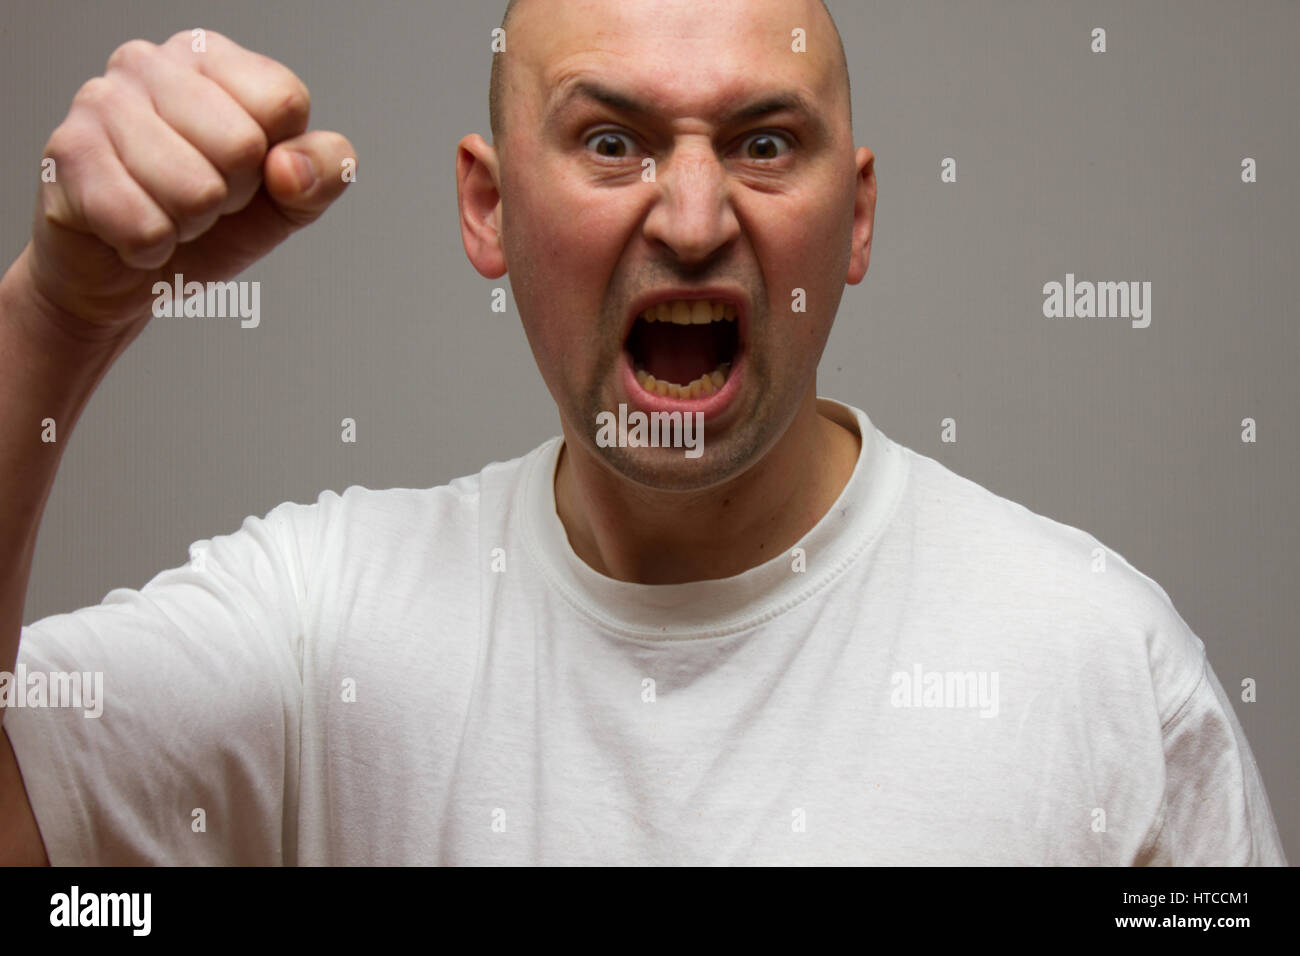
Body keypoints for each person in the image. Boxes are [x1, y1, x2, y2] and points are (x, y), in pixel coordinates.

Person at [0, 0, 1286, 865]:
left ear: (856, 218)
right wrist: (56, 316)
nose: (688, 213)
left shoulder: (1101, 669)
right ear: (489, 207)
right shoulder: (312, 631)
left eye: (763, 141)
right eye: (610, 141)